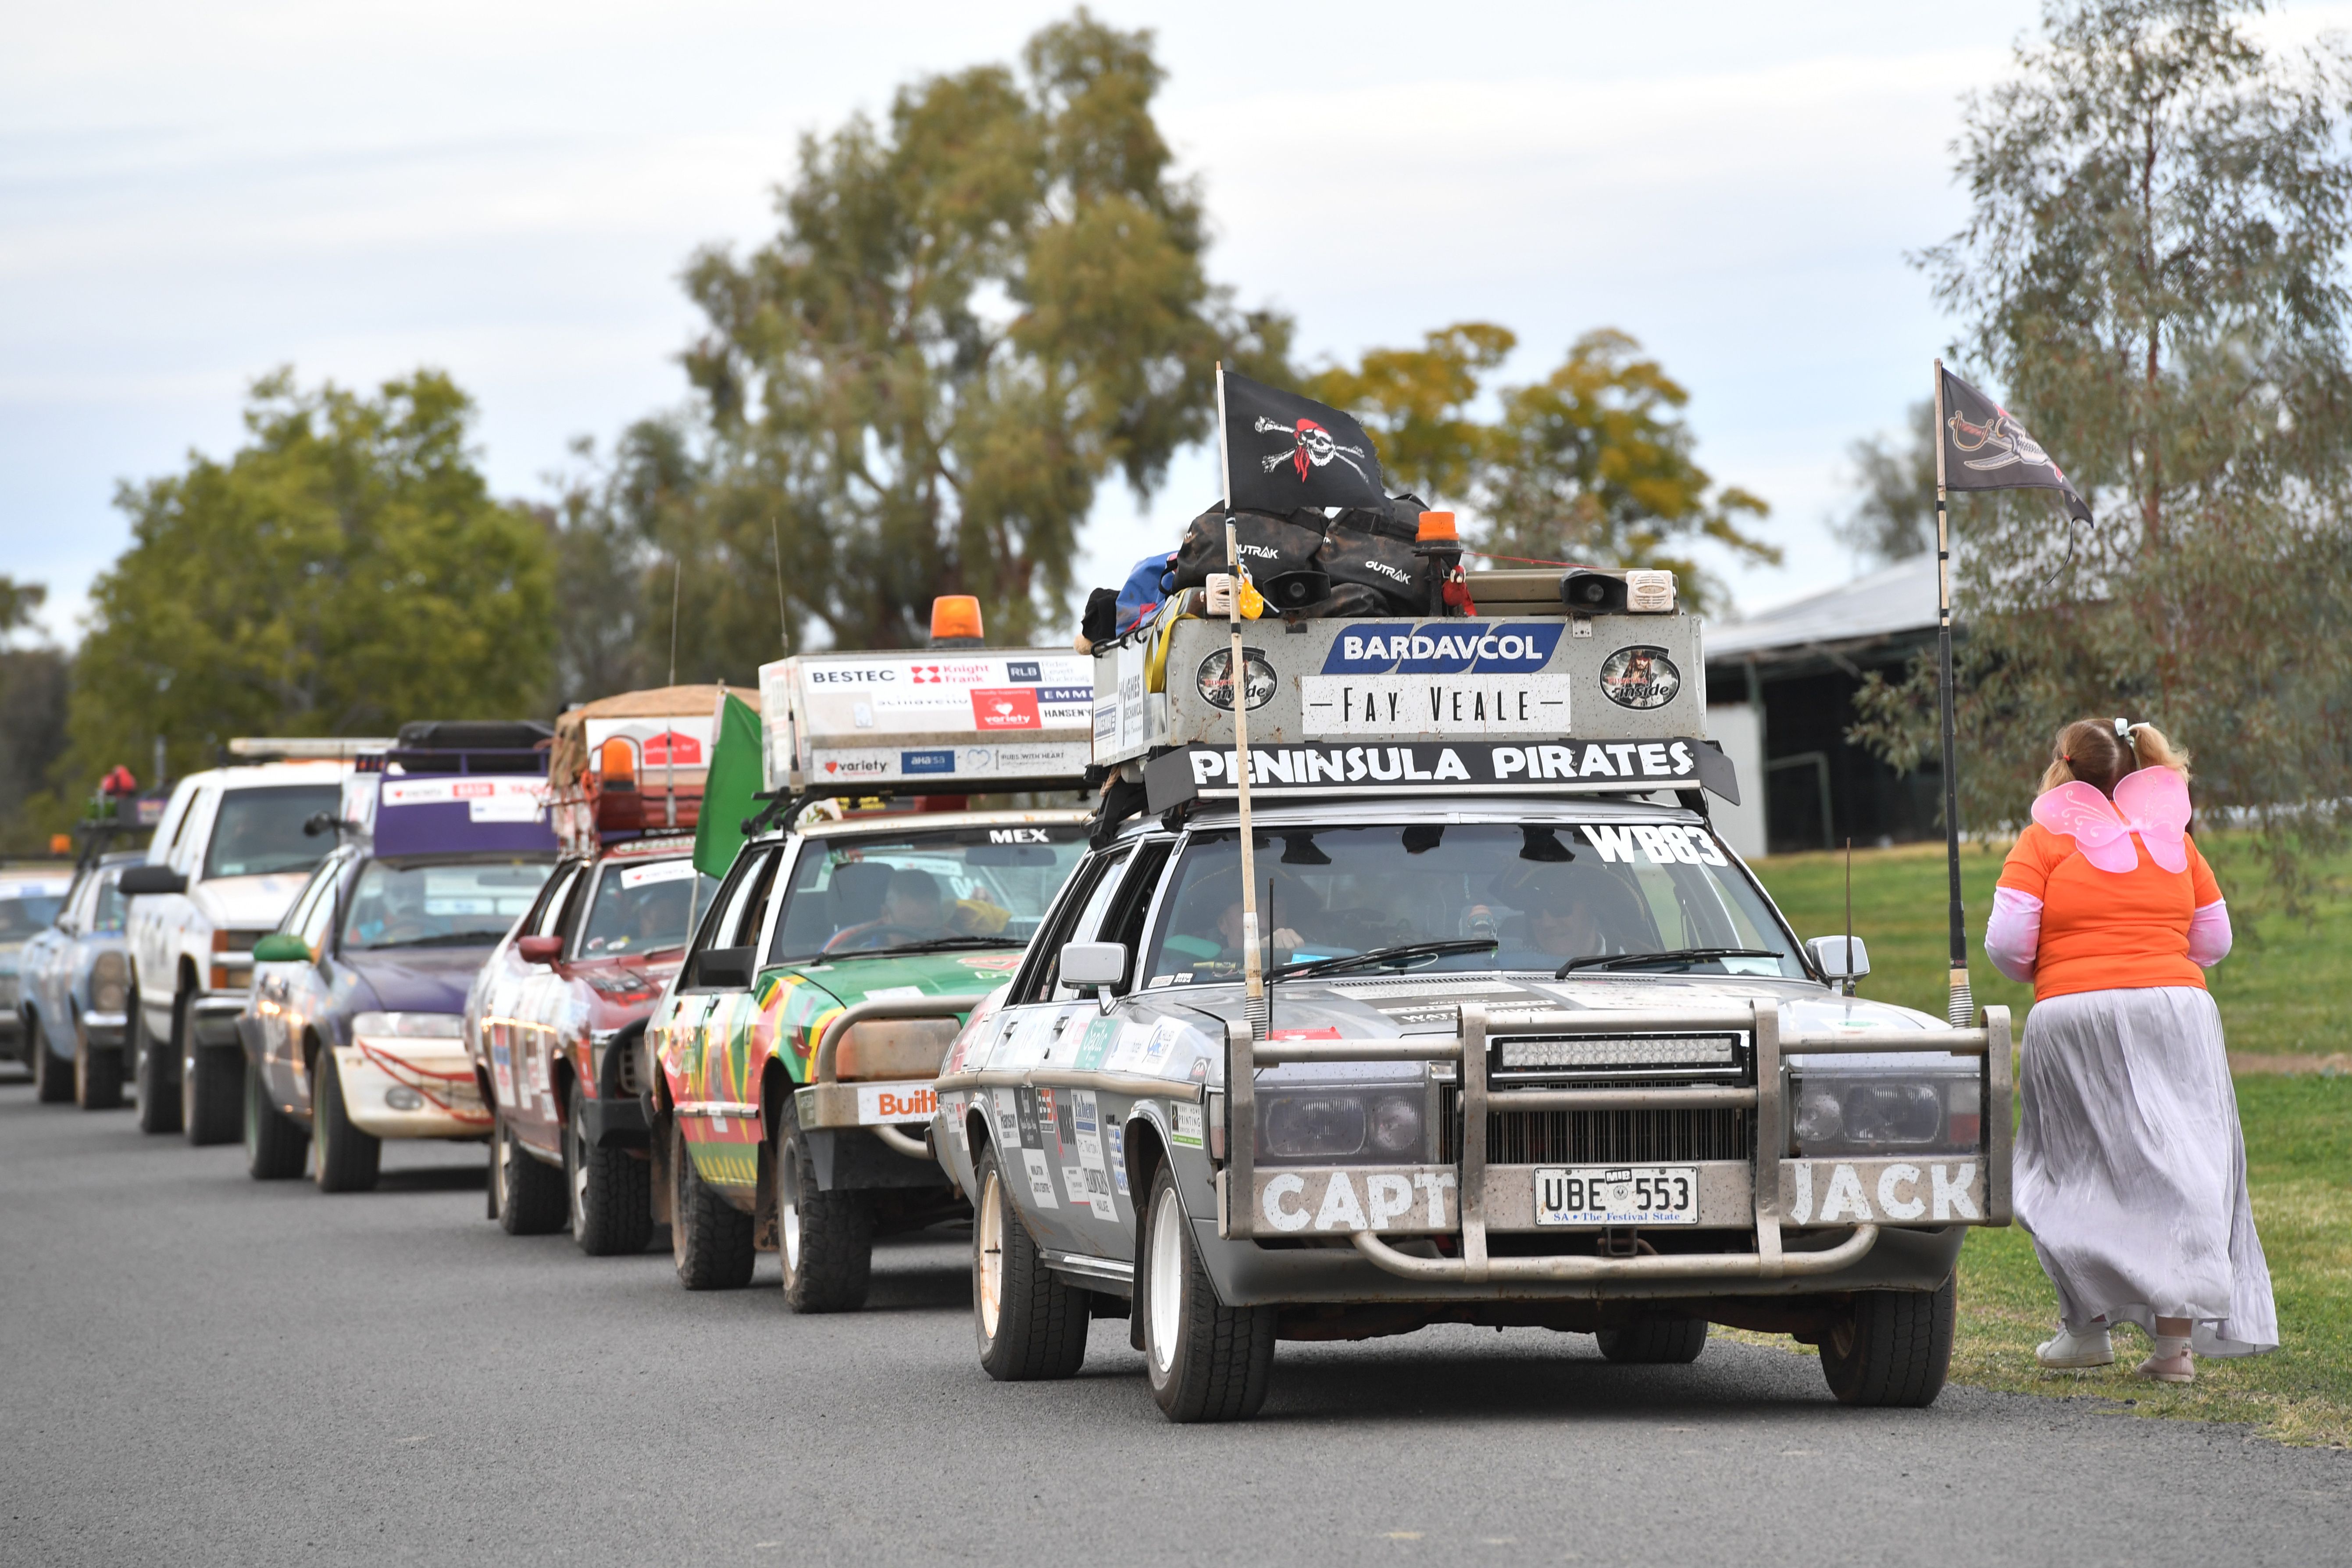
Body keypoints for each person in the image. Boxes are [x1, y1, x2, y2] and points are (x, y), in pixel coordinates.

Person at [1984, 718, 2275, 1384]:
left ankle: (2084, 1328)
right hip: (2177, 1015)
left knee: (2067, 1169)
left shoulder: (2043, 841)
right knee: (2182, 1170)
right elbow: (2215, 940)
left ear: (2063, 769)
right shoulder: (2175, 842)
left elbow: (2006, 946)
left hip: (2074, 1014)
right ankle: (2174, 1351)